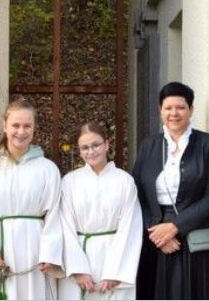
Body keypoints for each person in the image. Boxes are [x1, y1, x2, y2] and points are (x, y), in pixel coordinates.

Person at [130, 81, 209, 300]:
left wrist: (175, 227)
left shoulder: (208, 144)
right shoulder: (149, 145)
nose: (174, 113)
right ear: (160, 110)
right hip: (155, 237)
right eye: (168, 108)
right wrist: (157, 232)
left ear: (191, 110)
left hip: (195, 237)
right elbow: (136, 194)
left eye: (181, 107)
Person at [0, 98, 65, 300]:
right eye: (16, 125)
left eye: (27, 126)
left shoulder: (47, 169)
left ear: (34, 128)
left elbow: (55, 215)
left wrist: (49, 254)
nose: (21, 131)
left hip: (35, 252)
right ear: (5, 127)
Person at [58, 122, 142, 301]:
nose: (91, 151)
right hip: (80, 257)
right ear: (79, 151)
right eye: (85, 147)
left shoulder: (124, 181)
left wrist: (114, 273)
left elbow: (130, 228)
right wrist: (78, 269)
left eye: (95, 145)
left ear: (107, 144)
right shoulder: (69, 182)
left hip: (114, 258)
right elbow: (65, 226)